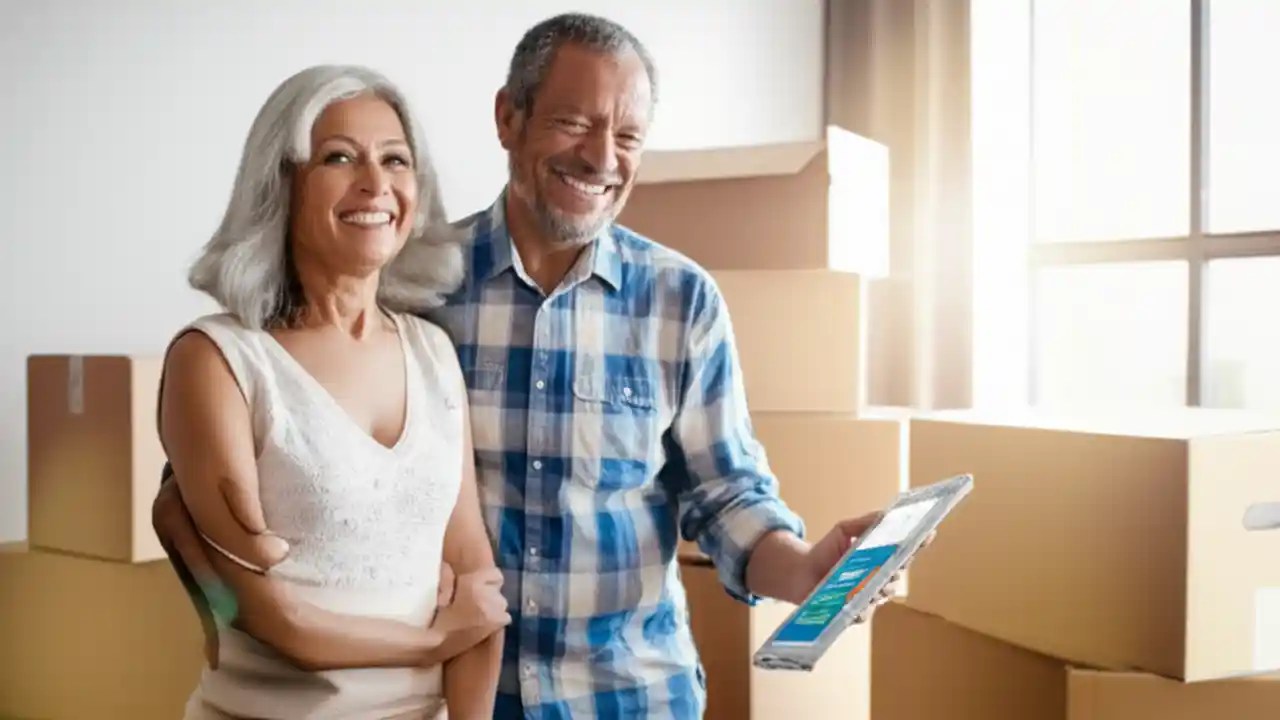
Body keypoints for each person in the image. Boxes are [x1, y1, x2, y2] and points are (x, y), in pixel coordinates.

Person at [154, 13, 906, 719]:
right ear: (508, 118)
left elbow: (726, 493)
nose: (602, 158)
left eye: (629, 135)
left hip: (630, 696)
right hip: (473, 695)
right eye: (574, 122)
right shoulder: (420, 290)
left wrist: (806, 570)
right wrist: (190, 523)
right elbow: (288, 445)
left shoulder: (681, 302)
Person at [155, 65, 508, 719]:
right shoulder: (215, 361)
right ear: (281, 184)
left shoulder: (432, 354)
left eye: (395, 160)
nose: (376, 184)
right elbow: (270, 619)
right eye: (339, 157)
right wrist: (433, 638)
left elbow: (476, 587)